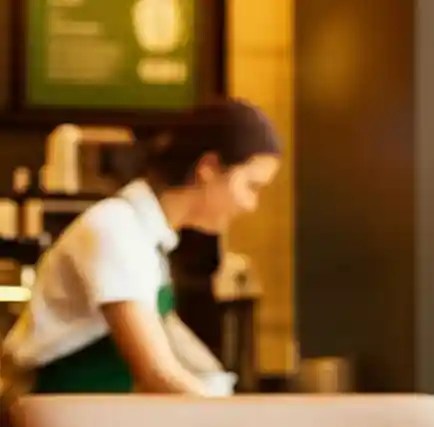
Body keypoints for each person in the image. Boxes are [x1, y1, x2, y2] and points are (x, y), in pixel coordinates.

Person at [0, 99, 281, 397]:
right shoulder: (117, 229)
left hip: (84, 424)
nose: (250, 205)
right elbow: (158, 373)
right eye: (251, 186)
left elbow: (189, 365)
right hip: (49, 424)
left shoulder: (148, 240)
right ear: (209, 167)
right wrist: (234, 425)